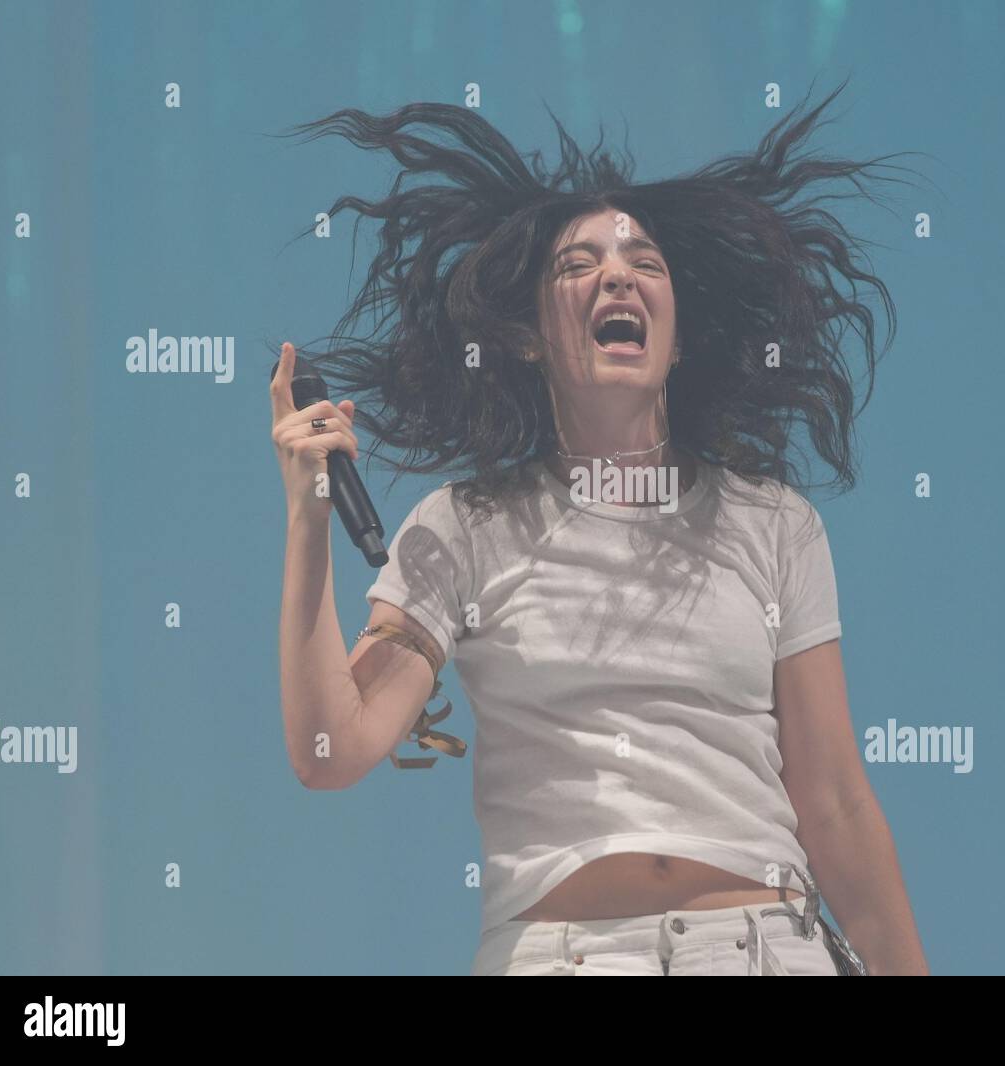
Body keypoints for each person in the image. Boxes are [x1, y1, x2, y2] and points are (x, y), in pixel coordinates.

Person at [271, 79, 931, 975]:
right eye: (577, 266)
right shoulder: (464, 527)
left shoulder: (776, 525)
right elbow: (329, 750)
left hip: (764, 947)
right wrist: (310, 516)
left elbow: (837, 804)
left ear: (679, 334)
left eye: (643, 264)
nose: (616, 274)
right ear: (532, 333)